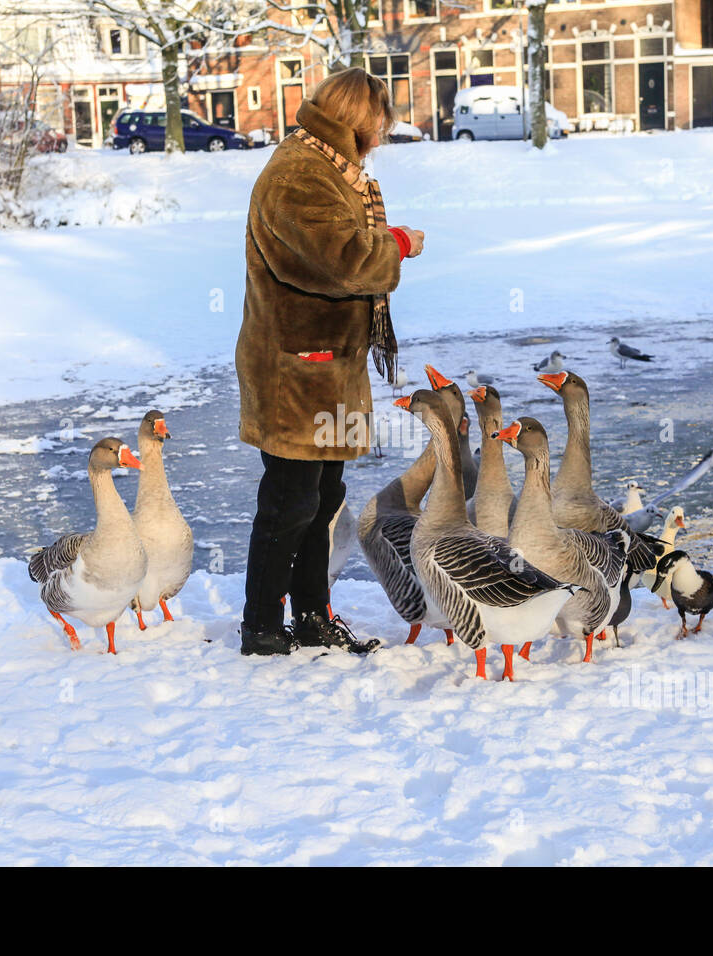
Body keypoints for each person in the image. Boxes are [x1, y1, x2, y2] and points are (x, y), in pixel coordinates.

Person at [235, 68, 425, 656]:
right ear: (360, 122)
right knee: (289, 501)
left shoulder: (328, 165)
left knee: (322, 498)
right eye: (379, 127)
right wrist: (395, 243)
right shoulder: (297, 175)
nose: (382, 139)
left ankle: (313, 615)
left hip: (329, 365)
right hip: (294, 368)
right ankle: (263, 626)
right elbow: (341, 261)